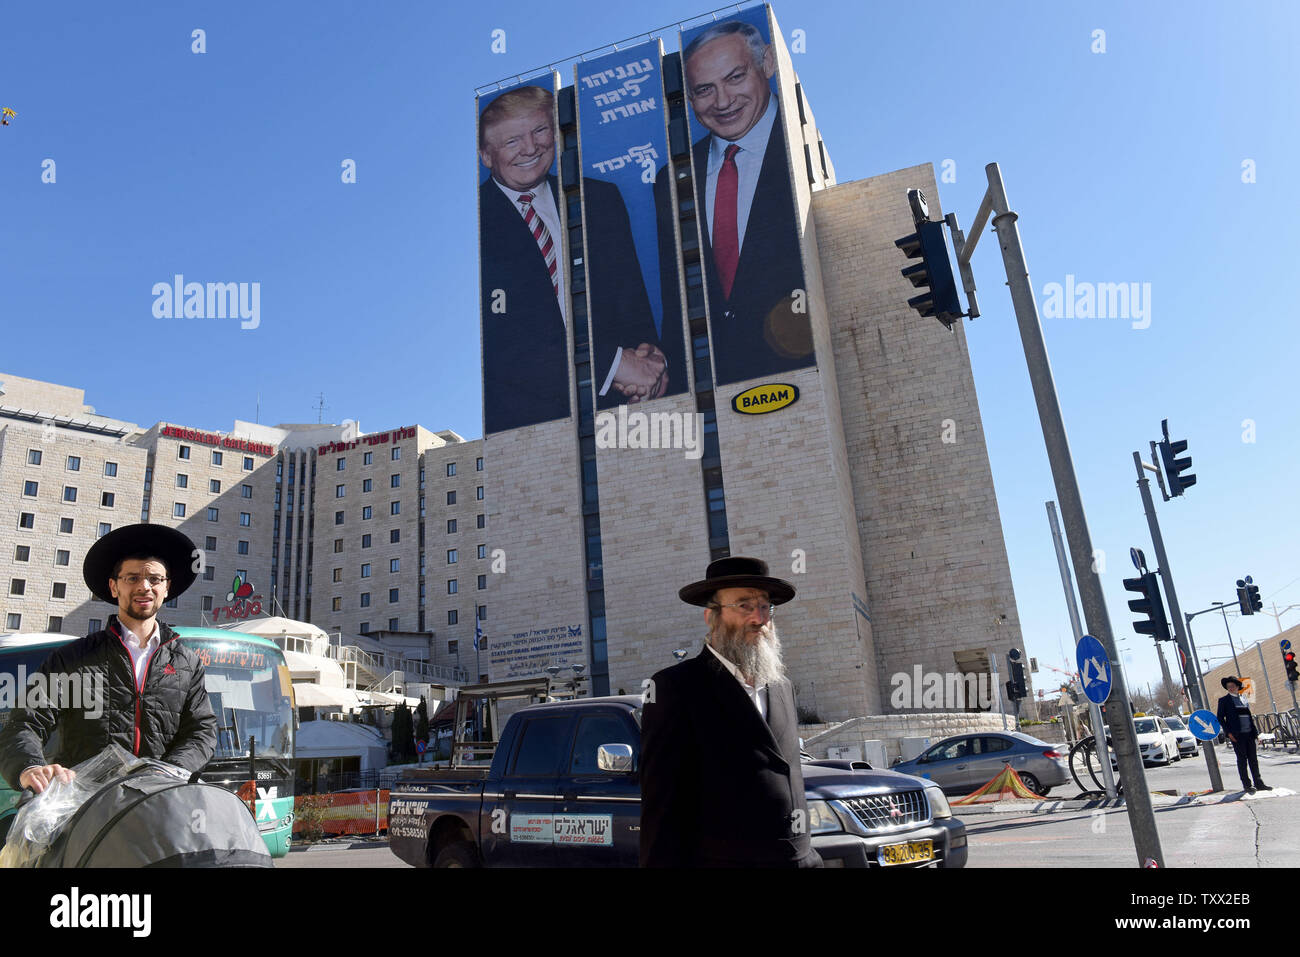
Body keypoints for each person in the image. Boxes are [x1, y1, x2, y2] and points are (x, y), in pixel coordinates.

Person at [479, 84, 678, 433]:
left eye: (540, 130)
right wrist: (615, 364)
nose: (531, 148)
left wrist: (652, 361)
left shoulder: (599, 199)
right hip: (530, 425)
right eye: (512, 141)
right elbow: (507, 341)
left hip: (624, 411)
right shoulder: (477, 221)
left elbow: (633, 301)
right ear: (486, 156)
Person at [0, 524, 217, 793]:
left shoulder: (188, 663)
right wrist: (30, 766)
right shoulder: (73, 658)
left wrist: (169, 772)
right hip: (87, 810)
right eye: (132, 578)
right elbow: (25, 722)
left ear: (167, 588)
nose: (144, 587)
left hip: (161, 804)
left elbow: (202, 731)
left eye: (154, 579)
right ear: (114, 587)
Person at [655, 19, 813, 387]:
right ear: (690, 98)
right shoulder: (671, 179)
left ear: (768, 63)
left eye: (735, 77)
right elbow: (675, 302)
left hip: (801, 379)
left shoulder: (795, 147)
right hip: (711, 392)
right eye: (705, 89)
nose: (723, 101)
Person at [639, 556, 821, 867]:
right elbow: (662, 807)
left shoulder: (782, 686)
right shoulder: (673, 687)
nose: (759, 619)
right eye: (744, 606)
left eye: (766, 607)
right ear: (711, 617)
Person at [1215, 676, 1271, 794]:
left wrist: (1255, 734)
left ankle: (1259, 783)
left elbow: (1249, 717)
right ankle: (1247, 784)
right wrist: (1228, 733)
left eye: (1232, 686)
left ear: (1237, 687)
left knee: (1253, 759)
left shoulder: (1244, 699)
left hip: (1249, 734)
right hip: (1237, 735)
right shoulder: (1224, 701)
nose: (1230, 688)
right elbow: (1220, 718)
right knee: (1242, 760)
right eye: (1228, 687)